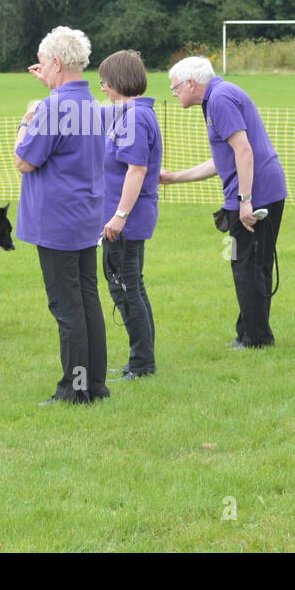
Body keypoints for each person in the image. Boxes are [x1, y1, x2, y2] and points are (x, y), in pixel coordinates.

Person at [160, 56, 287, 348]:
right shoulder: (221, 95)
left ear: (192, 83)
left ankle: (256, 338)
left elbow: (244, 152)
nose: (174, 92)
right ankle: (249, 332)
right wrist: (176, 177)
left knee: (247, 266)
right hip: (264, 189)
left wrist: (245, 202)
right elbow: (224, 160)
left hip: (257, 193)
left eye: (175, 87)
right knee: (253, 264)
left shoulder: (219, 99)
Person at [13, 26, 109, 405]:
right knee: (87, 300)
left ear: (54, 62)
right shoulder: (93, 106)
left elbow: (24, 160)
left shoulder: (50, 108)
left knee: (66, 308)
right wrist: (49, 91)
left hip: (55, 220)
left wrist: (26, 118)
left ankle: (75, 388)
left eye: (44, 64)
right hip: (85, 216)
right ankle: (95, 383)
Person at [97, 49, 162, 379]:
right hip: (125, 218)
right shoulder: (129, 113)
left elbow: (136, 169)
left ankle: (141, 363)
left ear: (117, 81)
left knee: (125, 287)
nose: (103, 89)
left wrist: (119, 215)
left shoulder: (135, 117)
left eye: (104, 83)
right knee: (132, 285)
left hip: (126, 221)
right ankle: (143, 358)